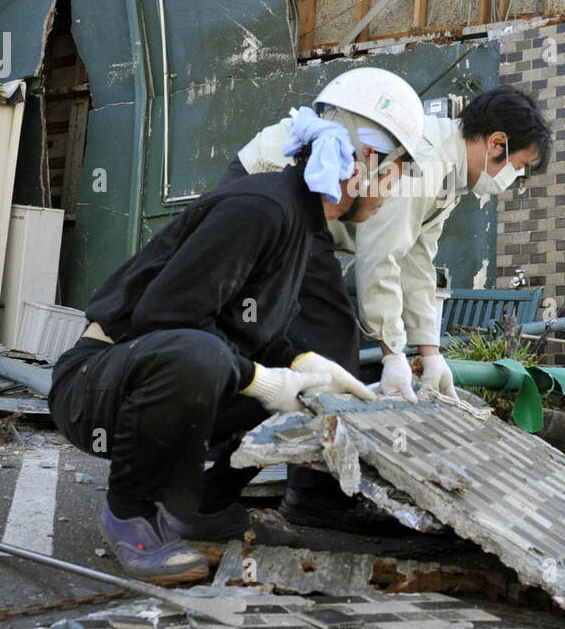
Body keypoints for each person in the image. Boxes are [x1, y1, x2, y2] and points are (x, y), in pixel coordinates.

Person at [48, 90, 422, 585]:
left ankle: (201, 506)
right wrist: (263, 380)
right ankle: (130, 512)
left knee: (315, 380)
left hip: (150, 372)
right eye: (396, 173)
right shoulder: (260, 208)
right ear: (367, 161)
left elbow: (252, 332)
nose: (394, 190)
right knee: (199, 357)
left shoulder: (298, 223)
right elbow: (166, 320)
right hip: (97, 383)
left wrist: (306, 362)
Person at [228, 84, 552, 525]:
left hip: (306, 212)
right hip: (269, 186)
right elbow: (380, 258)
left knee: (315, 343)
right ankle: (312, 499)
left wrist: (429, 352)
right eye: (518, 167)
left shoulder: (449, 174)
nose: (513, 179)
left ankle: (294, 489)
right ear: (497, 143)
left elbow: (417, 261)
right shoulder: (427, 162)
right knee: (329, 341)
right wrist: (392, 352)